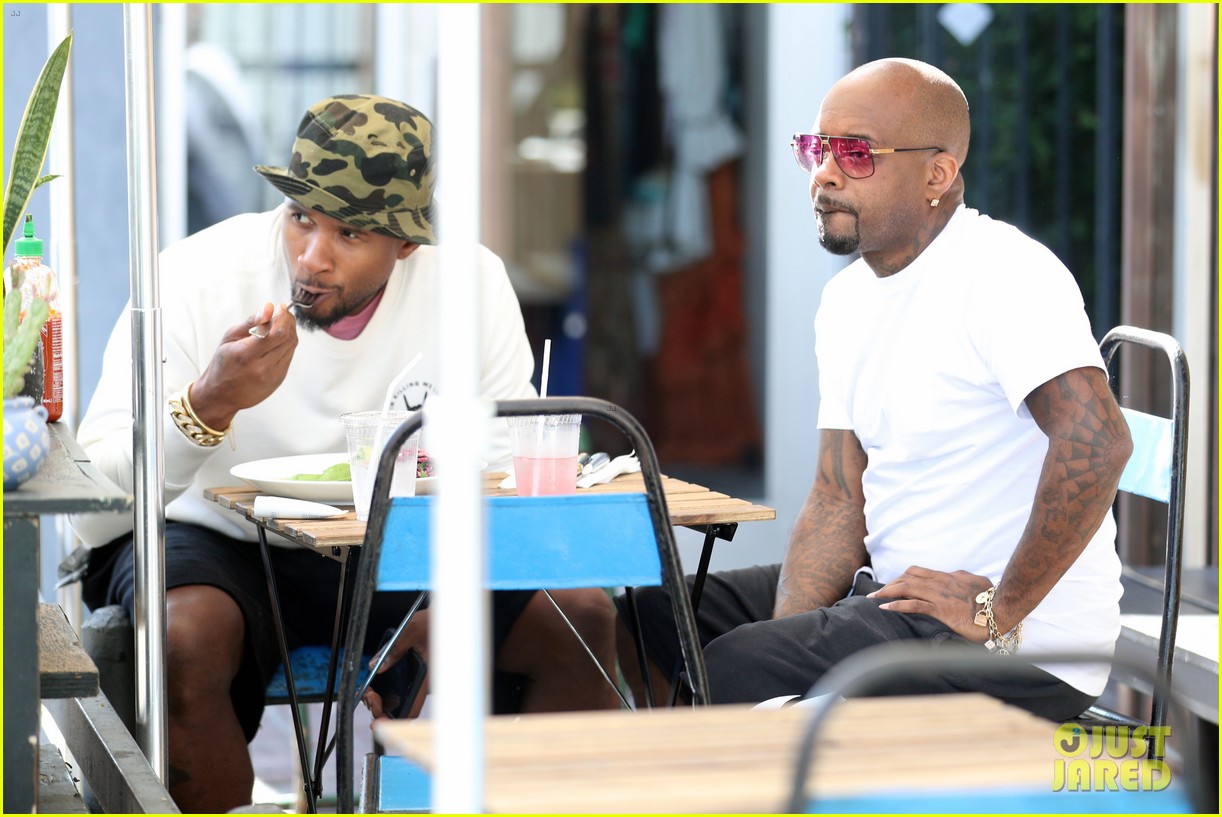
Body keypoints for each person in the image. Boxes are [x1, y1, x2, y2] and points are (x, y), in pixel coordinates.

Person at [72, 94, 621, 813]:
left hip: (405, 541)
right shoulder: (197, 277)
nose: (311, 255)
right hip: (220, 538)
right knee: (183, 638)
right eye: (302, 215)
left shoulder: (468, 286)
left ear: (406, 245)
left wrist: (443, 587)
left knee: (583, 617)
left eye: (349, 232)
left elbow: (505, 466)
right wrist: (207, 404)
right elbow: (88, 513)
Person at [616, 58, 1133, 721]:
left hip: (1017, 642)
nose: (824, 173)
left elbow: (1099, 440)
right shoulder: (849, 298)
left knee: (730, 665)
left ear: (936, 176)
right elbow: (837, 496)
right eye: (816, 149)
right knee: (651, 613)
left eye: (856, 153)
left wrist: (1001, 610)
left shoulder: (1003, 276)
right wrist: (788, 639)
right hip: (892, 592)